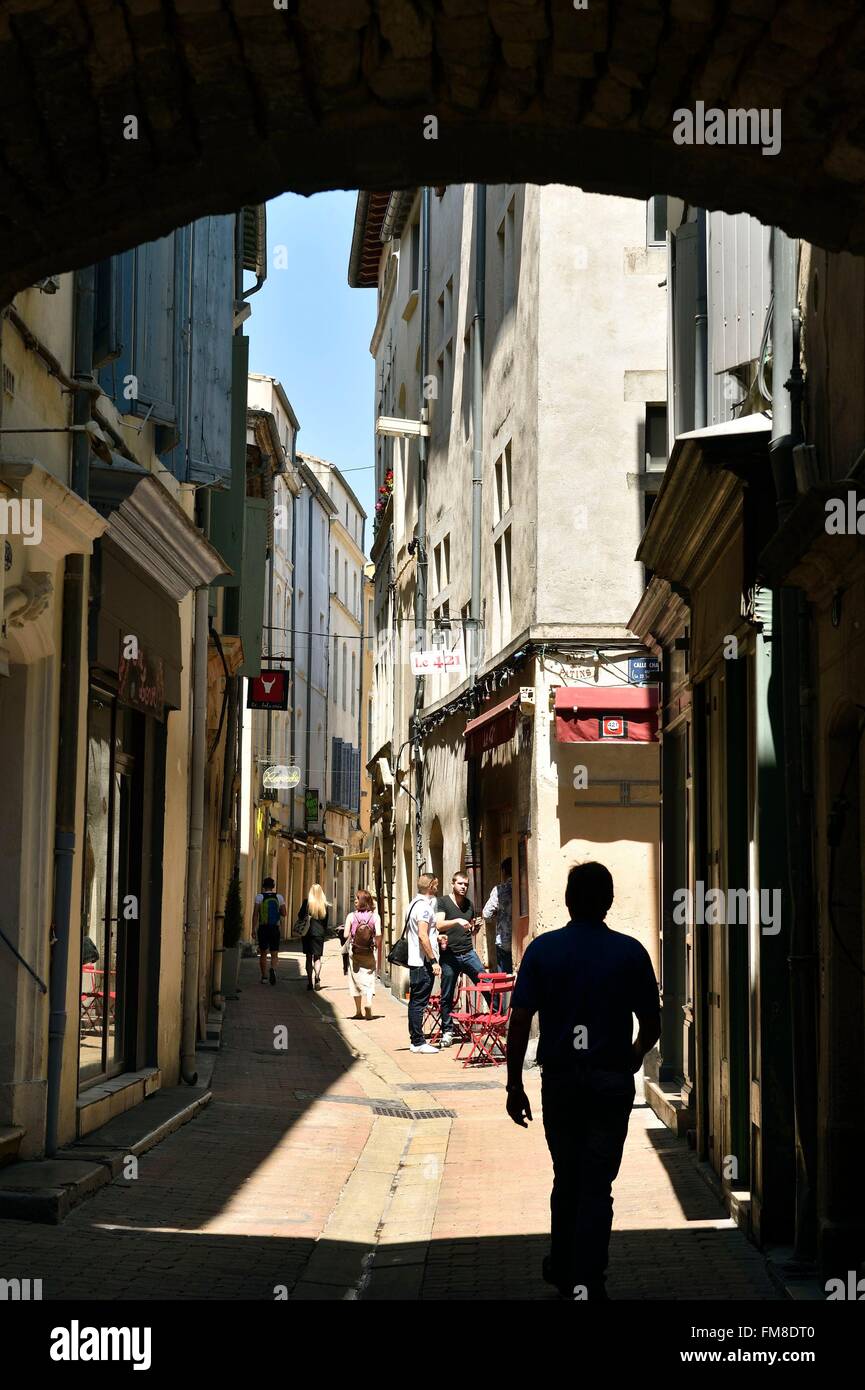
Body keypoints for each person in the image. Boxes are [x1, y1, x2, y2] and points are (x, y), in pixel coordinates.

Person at [505, 861, 660, 1302]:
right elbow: (651, 1024)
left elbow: (519, 1023)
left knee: (566, 1176)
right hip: (610, 1082)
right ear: (609, 902)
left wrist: (514, 1084)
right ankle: (590, 1274)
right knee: (598, 1183)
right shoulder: (630, 953)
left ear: (569, 901)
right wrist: (630, 1059)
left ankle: (565, 1265)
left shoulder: (543, 951)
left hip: (561, 1084)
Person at [436, 871, 485, 1047]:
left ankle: (496, 1021)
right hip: (449, 955)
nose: (464, 887)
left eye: (466, 884)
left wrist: (474, 927)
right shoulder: (442, 902)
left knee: (485, 983)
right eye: (460, 884)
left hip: (468, 952)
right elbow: (439, 924)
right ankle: (447, 1031)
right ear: (453, 883)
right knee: (447, 994)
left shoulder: (469, 905)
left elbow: (468, 928)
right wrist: (457, 920)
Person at [406, 872, 441, 1055]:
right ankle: (419, 1041)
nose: (437, 888)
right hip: (422, 962)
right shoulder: (425, 908)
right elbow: (422, 935)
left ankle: (415, 1040)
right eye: (436, 885)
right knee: (419, 1002)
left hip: (415, 960)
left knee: (415, 1002)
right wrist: (433, 960)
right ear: (431, 886)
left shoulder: (413, 904)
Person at [342, 888, 382, 1019]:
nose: (355, 901)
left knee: (355, 980)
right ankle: (369, 1003)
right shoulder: (375, 916)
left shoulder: (351, 916)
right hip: (369, 951)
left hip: (355, 951)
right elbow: (379, 934)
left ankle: (358, 1011)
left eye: (357, 899)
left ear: (362, 901)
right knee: (370, 977)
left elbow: (346, 935)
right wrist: (376, 945)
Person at [296, 883, 330, 991]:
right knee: (317, 958)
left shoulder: (306, 903)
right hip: (319, 934)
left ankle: (310, 982)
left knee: (308, 957)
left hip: (307, 933)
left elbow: (300, 916)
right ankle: (317, 977)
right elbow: (325, 922)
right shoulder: (324, 905)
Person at [483, 857, 514, 973]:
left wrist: (496, 915)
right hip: (522, 940)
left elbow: (486, 913)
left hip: (504, 939)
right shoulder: (523, 887)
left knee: (504, 980)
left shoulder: (499, 890)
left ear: (504, 872)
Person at [253, 876, 286, 985]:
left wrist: (253, 929)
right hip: (274, 928)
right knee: (274, 953)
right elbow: (284, 913)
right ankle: (273, 969)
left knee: (263, 953)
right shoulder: (279, 897)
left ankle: (264, 977)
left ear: (263, 886)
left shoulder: (259, 897)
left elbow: (255, 914)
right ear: (273, 886)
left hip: (263, 927)